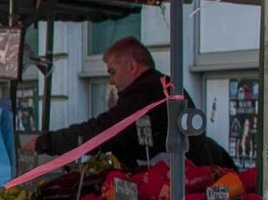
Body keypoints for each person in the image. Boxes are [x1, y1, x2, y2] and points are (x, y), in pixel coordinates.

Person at [30, 37, 170, 168]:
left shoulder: (144, 92)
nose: (111, 81)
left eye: (112, 72)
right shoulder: (159, 86)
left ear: (132, 66)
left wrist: (47, 142)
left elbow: (105, 130)